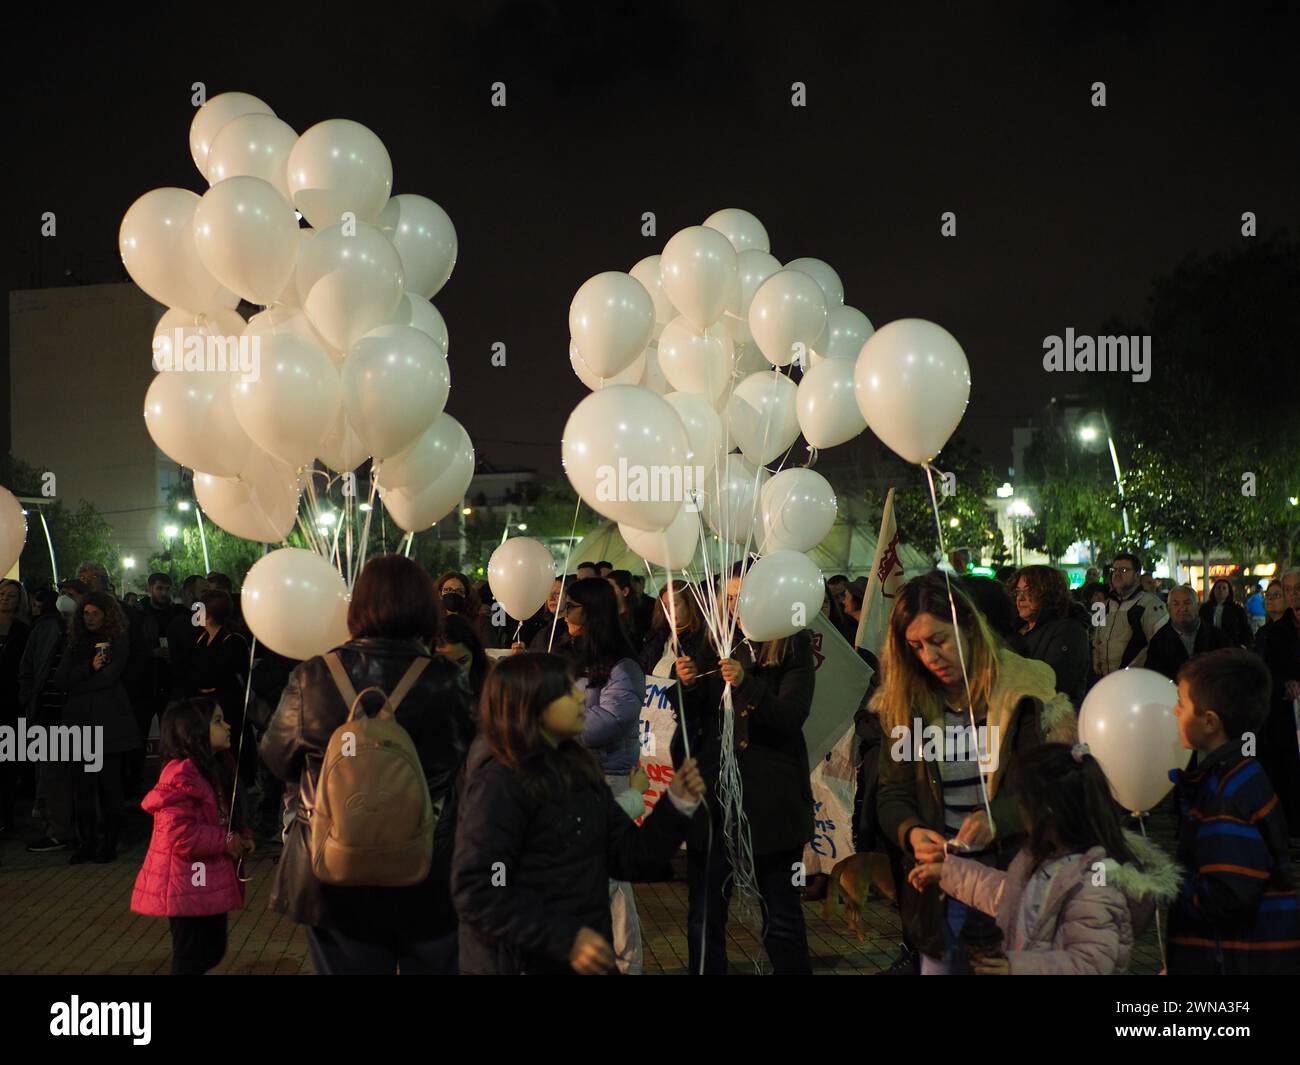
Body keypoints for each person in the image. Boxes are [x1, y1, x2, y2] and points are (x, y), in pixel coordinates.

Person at [260, 555, 475, 975]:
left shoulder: (314, 676)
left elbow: (275, 756)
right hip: (427, 867)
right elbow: (467, 757)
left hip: (332, 869)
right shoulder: (446, 678)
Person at [452, 653, 705, 974]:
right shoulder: (500, 782)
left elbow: (629, 855)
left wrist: (676, 803)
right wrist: (563, 939)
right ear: (531, 704)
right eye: (565, 689)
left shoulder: (580, 770)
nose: (580, 695)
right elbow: (481, 889)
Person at [876, 573, 1077, 975]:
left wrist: (996, 820)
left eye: (939, 640)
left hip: (1010, 878)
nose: (930, 656)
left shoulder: (1022, 693)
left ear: (968, 626)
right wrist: (913, 832)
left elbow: (1049, 789)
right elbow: (892, 793)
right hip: (938, 888)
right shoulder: (906, 703)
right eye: (916, 646)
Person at [908, 743, 1178, 974]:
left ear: (1046, 812)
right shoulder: (1045, 860)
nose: (1021, 816)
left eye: (1023, 804)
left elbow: (1089, 964)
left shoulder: (1095, 883)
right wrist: (947, 871)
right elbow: (1008, 895)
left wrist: (1016, 968)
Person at [673, 564, 816, 975]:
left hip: (771, 803)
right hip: (713, 800)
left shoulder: (792, 646)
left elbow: (790, 716)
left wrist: (746, 684)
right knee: (704, 915)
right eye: (729, 598)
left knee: (782, 916)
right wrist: (687, 685)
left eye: (743, 597)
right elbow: (691, 718)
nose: (735, 606)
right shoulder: (710, 642)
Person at [1166, 649, 1300, 974]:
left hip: (1230, 960)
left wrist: (1163, 880)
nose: (1174, 711)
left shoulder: (1225, 793)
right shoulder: (1238, 775)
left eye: (1182, 704)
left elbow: (1227, 897)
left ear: (1210, 721)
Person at [555, 576, 647, 973]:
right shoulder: (568, 654)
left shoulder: (622, 665)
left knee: (610, 878)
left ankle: (626, 964)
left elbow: (611, 720)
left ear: (590, 612)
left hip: (608, 776)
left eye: (570, 607)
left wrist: (555, 721)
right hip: (569, 777)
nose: (561, 614)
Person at [130, 698, 254, 974]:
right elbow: (181, 834)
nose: (227, 726)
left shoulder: (218, 767)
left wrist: (242, 834)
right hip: (186, 883)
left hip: (206, 879)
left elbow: (226, 812)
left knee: (211, 950)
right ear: (194, 731)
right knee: (192, 958)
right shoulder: (181, 774)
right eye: (218, 721)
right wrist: (226, 841)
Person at [54, 591, 140, 863]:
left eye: (95, 613)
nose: (90, 619)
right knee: (82, 786)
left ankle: (109, 842)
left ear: (106, 614)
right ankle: (87, 841)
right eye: (86, 613)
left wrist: (79, 684)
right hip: (79, 722)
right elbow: (61, 679)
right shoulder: (75, 642)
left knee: (109, 785)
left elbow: (110, 677)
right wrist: (87, 670)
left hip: (109, 721)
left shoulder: (117, 641)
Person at [21, 588, 73, 851]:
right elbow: (28, 666)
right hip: (47, 713)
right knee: (51, 774)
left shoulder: (89, 631)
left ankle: (71, 829)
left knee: (76, 775)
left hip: (76, 715)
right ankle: (58, 829)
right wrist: (29, 698)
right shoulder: (45, 629)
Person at [184, 590, 253, 784]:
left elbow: (228, 673)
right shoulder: (201, 638)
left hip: (226, 703)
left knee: (228, 752)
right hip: (203, 704)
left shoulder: (233, 640)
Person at [1257, 569, 1300, 834]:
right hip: (1287, 717)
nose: (1294, 593)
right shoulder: (1274, 632)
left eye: (1299, 588)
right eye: (1289, 589)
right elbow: (1264, 670)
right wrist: (1285, 682)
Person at [1009, 566, 1090, 707]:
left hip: (1051, 719)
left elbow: (1056, 682)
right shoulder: (1016, 629)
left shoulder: (1069, 630)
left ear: (1049, 593)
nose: (1020, 598)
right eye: (1018, 591)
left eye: (1029, 591)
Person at [1093, 552, 1168, 677]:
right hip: (1105, 682)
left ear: (1137, 575)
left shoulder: (1150, 604)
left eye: (1123, 570)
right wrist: (1096, 661)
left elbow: (1159, 644)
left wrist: (1130, 671)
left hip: (1135, 681)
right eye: (1114, 569)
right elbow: (1095, 639)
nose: (1117, 573)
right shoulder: (1102, 605)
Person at [1144, 585, 1230, 682]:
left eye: (1187, 603)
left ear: (1198, 606)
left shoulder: (1217, 636)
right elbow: (1155, 677)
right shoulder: (1159, 641)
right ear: (1168, 609)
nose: (1182, 608)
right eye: (1176, 604)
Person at [0, 579, 32, 833]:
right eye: (2, 594)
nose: (5, 599)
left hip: (11, 701)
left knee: (8, 762)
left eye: (11, 595)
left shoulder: (24, 630)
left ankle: (7, 815)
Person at [638, 580, 711, 678]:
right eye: (665, 606)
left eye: (674, 605)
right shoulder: (656, 637)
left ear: (690, 604)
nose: (668, 611)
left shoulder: (705, 639)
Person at [436, 612, 491, 705]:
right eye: (447, 664)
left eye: (462, 661)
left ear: (475, 654)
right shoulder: (427, 689)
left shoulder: (493, 679)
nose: (457, 671)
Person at [166, 575, 208, 695]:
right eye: (204, 592)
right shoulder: (180, 624)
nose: (209, 597)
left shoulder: (206, 619)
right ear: (190, 594)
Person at [1200, 578, 1251, 648]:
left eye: (1224, 588)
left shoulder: (1236, 609)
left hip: (1231, 645)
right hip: (1209, 645)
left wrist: (1243, 644)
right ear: (1213, 590)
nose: (1221, 590)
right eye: (1218, 588)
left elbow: (1245, 627)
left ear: (1228, 592)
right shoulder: (1205, 608)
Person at [606, 569, 646, 650]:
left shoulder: (641, 618)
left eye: (611, 589)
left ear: (625, 591)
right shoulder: (608, 617)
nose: (606, 593)